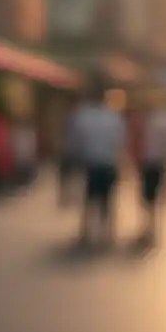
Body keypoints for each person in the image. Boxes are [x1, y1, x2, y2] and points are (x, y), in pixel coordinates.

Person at [67, 80, 126, 247]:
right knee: (107, 200)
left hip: (91, 162)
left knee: (89, 198)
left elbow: (75, 140)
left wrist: (75, 158)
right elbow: (120, 140)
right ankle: (106, 232)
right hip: (108, 162)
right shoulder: (113, 116)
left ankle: (86, 232)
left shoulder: (82, 115)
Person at [139, 91, 166, 243]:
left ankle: (150, 226)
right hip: (158, 161)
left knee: (149, 196)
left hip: (150, 161)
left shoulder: (151, 121)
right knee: (154, 196)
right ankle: (152, 226)